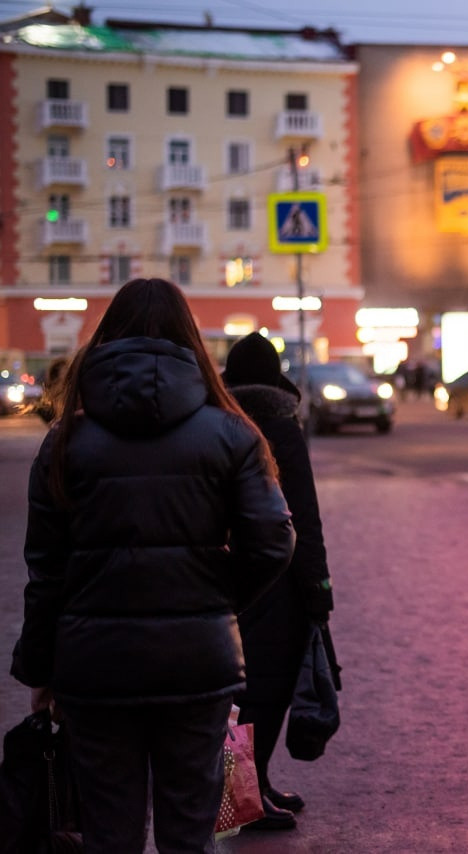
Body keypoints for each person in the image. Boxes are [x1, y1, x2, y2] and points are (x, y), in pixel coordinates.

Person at [10, 278, 296, 854]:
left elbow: (45, 571)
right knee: (190, 833)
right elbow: (272, 541)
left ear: (104, 342)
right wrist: (213, 603)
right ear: (190, 341)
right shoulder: (232, 433)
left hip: (94, 665)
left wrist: (40, 669)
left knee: (109, 833)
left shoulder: (65, 443)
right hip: (195, 664)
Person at [221, 331, 334, 832]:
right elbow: (303, 518)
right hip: (281, 579)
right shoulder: (280, 427)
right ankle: (246, 798)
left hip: (229, 577)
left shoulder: (220, 423)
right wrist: (319, 590)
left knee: (243, 694)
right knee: (271, 691)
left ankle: (252, 788)